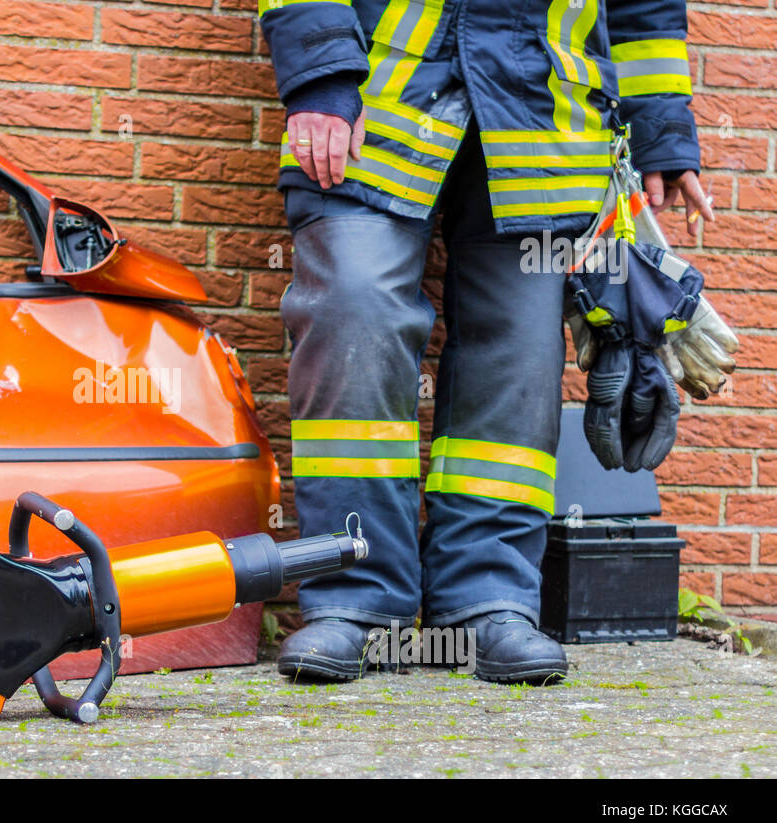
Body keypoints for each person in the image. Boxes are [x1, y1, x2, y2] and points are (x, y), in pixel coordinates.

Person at [258, 0, 715, 684]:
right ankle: (356, 600)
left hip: (544, 120)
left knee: (519, 356)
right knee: (354, 310)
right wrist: (320, 73)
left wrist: (659, 130)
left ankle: (486, 601)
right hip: (376, 100)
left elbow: (645, 7)